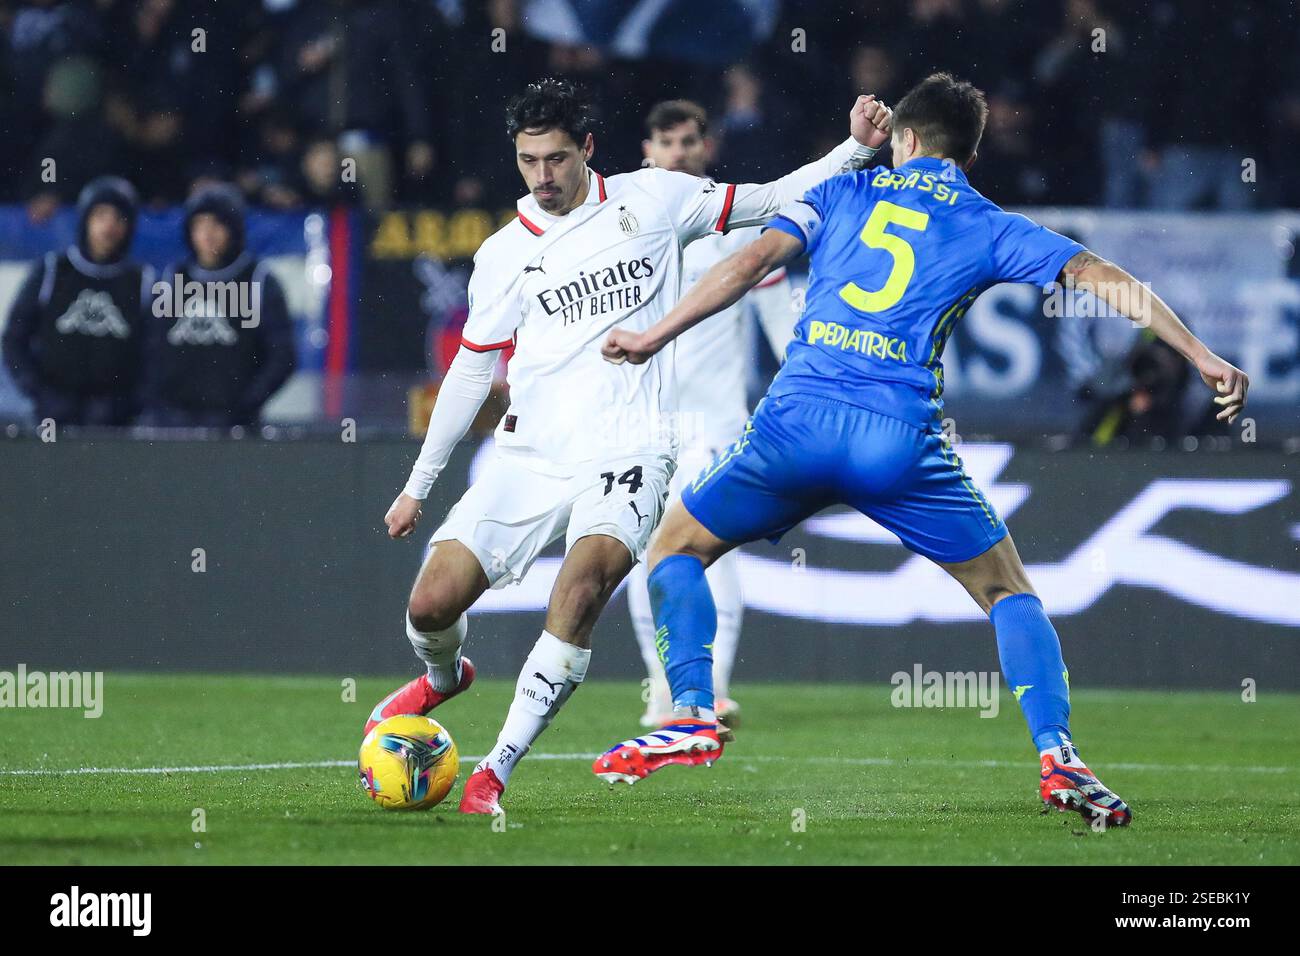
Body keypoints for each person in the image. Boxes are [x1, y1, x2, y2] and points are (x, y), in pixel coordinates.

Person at [597, 73, 1250, 827]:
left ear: (903, 141)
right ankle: (1058, 754)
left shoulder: (845, 192)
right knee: (1009, 593)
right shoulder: (987, 221)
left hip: (795, 426)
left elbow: (745, 264)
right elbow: (1101, 277)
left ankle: (690, 711)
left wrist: (650, 336)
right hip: (896, 441)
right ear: (966, 155)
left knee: (675, 549)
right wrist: (1200, 355)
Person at [364, 78, 893, 815]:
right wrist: (420, 482)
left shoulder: (655, 198)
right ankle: (446, 677)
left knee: (579, 590)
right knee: (430, 603)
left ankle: (495, 771)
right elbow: (472, 370)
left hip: (633, 447)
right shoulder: (503, 253)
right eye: (527, 161)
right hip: (532, 455)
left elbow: (773, 196)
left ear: (587, 148)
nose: (542, 177)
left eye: (555, 159)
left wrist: (856, 148)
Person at [627, 99, 796, 732]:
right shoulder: (626, 228)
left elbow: (784, 328)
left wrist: (807, 389)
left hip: (719, 423)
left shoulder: (744, 230)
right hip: (643, 425)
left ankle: (713, 688)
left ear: (708, 147)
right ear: (648, 150)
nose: (677, 152)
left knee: (708, 551)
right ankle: (664, 687)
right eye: (665, 142)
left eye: (688, 141)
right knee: (644, 552)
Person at [143, 184, 295, 428]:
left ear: (233, 229)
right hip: (173, 420)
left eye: (217, 224)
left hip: (233, 423)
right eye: (200, 224)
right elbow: (151, 348)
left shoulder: (258, 280)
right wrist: (158, 403)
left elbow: (283, 355)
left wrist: (246, 404)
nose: (208, 233)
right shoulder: (171, 279)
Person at [3, 176, 149, 428]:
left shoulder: (142, 282)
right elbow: (14, 339)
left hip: (115, 423)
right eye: (101, 215)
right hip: (52, 414)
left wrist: (128, 402)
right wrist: (38, 391)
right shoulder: (52, 271)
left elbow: (154, 352)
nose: (109, 226)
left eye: (119, 218)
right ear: (85, 219)